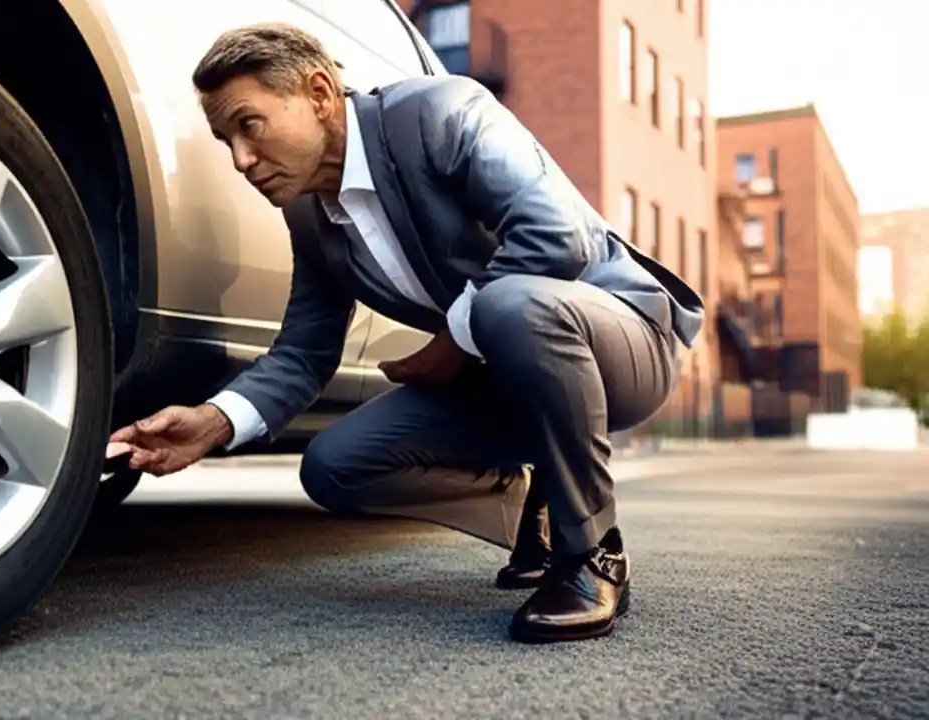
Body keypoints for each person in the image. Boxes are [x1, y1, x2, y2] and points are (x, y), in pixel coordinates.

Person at [109, 23, 703, 643]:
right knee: (335, 467)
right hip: (505, 374)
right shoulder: (309, 212)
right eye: (224, 139)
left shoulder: (439, 111)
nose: (240, 160)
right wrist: (213, 421)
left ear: (318, 93)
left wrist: (451, 341)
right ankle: (539, 489)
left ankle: (593, 555)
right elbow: (305, 352)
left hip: (624, 338)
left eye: (249, 125)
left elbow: (557, 236)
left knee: (508, 305)